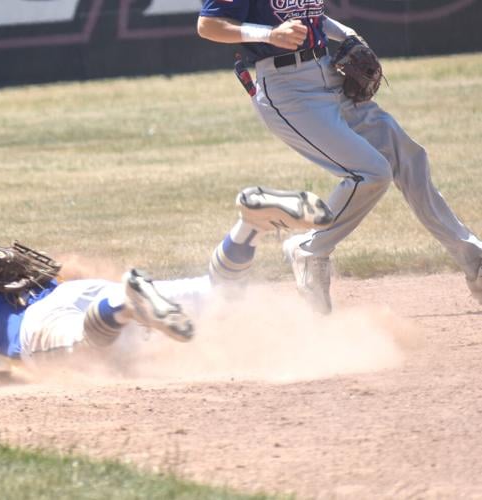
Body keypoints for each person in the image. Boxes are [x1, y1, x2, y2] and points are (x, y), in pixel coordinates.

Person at [0, 187, 333, 381]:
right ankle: (248, 224)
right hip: (83, 293)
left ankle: (129, 306)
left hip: (56, 323)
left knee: (85, 346)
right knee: (223, 292)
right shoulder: (40, 277)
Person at [195, 3, 482, 313]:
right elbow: (208, 26)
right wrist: (269, 34)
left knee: (408, 156)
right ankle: (310, 250)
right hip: (288, 91)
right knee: (371, 173)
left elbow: (311, 15)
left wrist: (347, 34)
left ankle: (474, 261)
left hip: (328, 71)